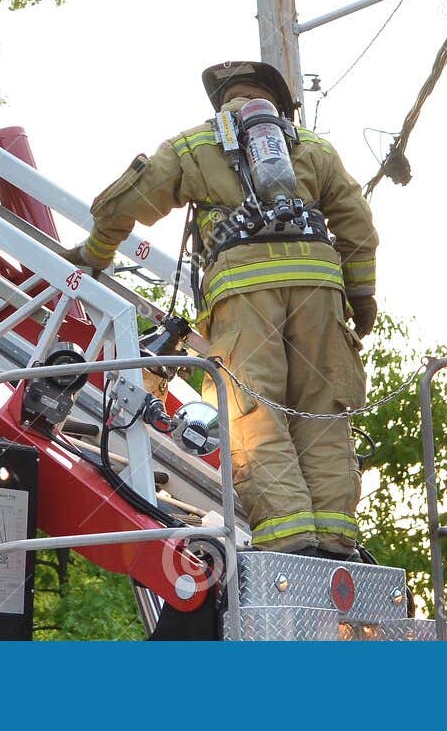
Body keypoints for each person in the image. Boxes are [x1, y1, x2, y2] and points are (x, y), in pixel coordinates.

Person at [67, 61, 378, 560]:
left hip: (244, 297)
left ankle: (291, 543)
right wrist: (361, 297)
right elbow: (357, 226)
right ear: (278, 102)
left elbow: (120, 203)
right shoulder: (315, 149)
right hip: (321, 293)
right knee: (322, 412)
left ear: (223, 99)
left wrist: (96, 255)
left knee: (253, 413)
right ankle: (337, 539)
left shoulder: (196, 145)